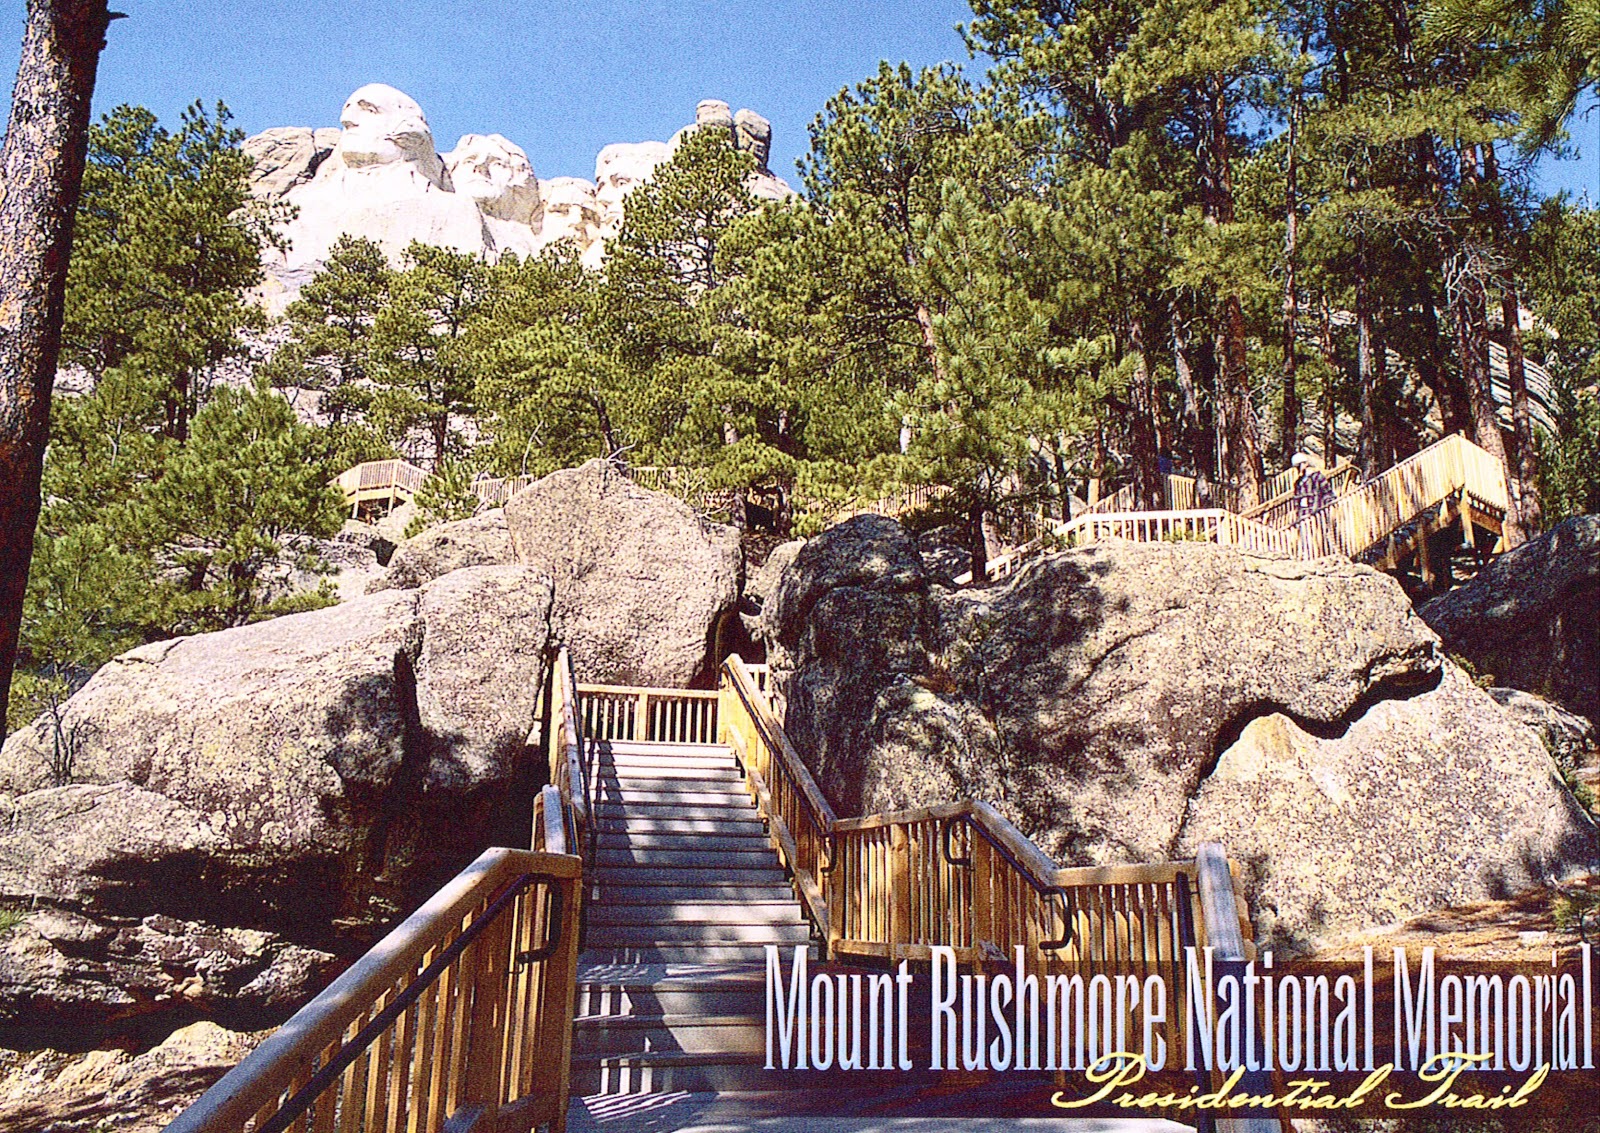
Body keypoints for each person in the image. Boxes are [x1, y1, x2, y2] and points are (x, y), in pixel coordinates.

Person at [1291, 452, 1336, 556]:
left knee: (1320, 536)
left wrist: (1326, 508)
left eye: (1300, 465)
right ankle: (1310, 556)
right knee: (1306, 537)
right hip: (1304, 513)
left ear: (1306, 463)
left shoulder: (1318, 477)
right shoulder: (1298, 482)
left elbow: (1328, 494)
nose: (1298, 469)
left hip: (1317, 512)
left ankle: (1324, 555)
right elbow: (1297, 499)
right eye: (1297, 467)